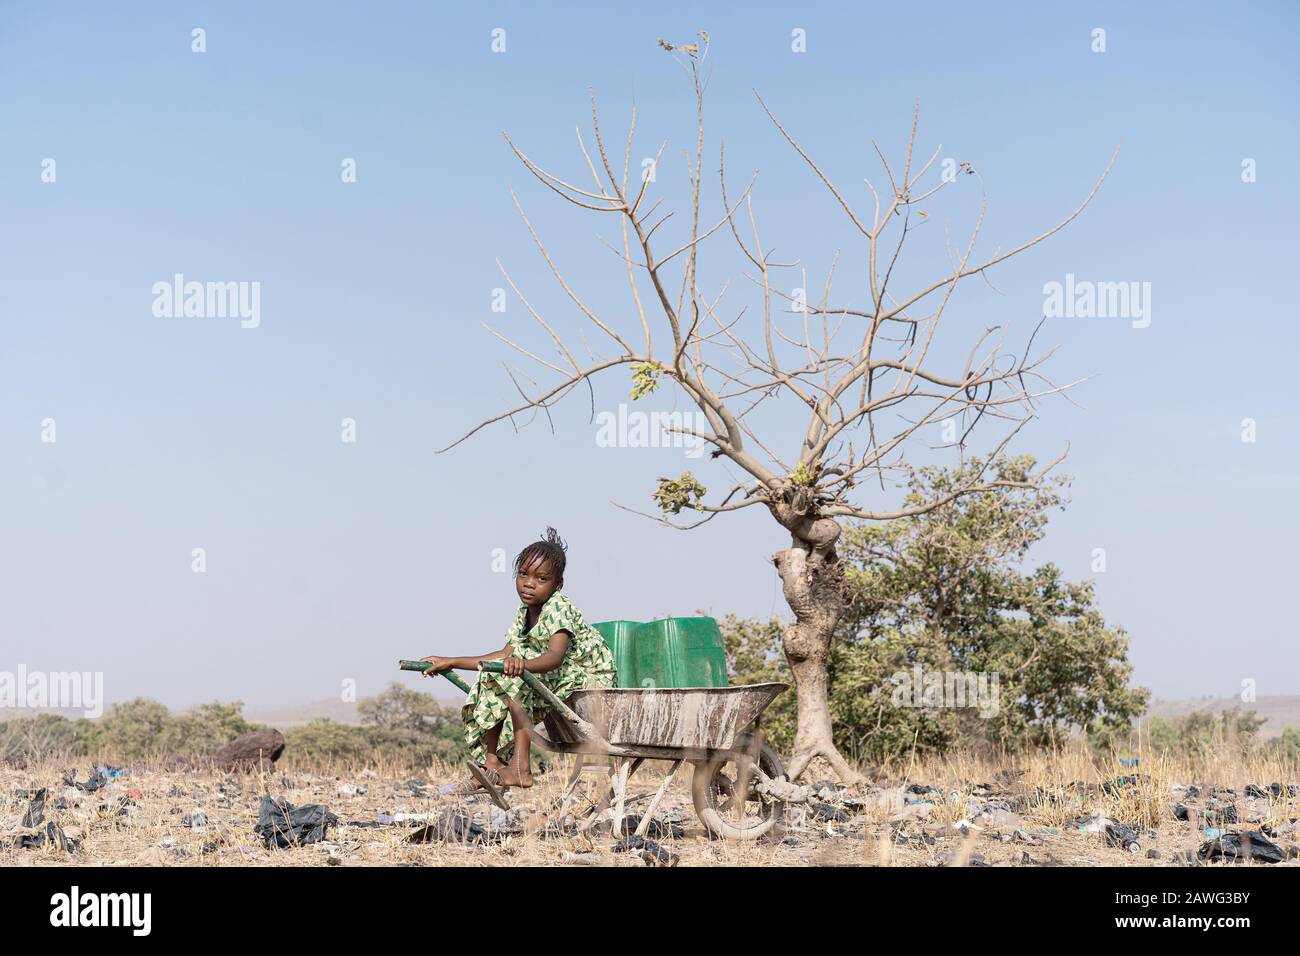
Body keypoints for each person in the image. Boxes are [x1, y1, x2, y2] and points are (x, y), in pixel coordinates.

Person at [419, 527, 616, 788]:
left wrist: (520, 667)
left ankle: (521, 769)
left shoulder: (559, 607)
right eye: (523, 574)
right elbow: (505, 655)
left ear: (557, 585)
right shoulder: (524, 611)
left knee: (515, 681)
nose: (529, 583)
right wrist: (451, 661)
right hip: (558, 675)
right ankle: (492, 762)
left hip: (588, 680)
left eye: (541, 578)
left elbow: (555, 657)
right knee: (492, 672)